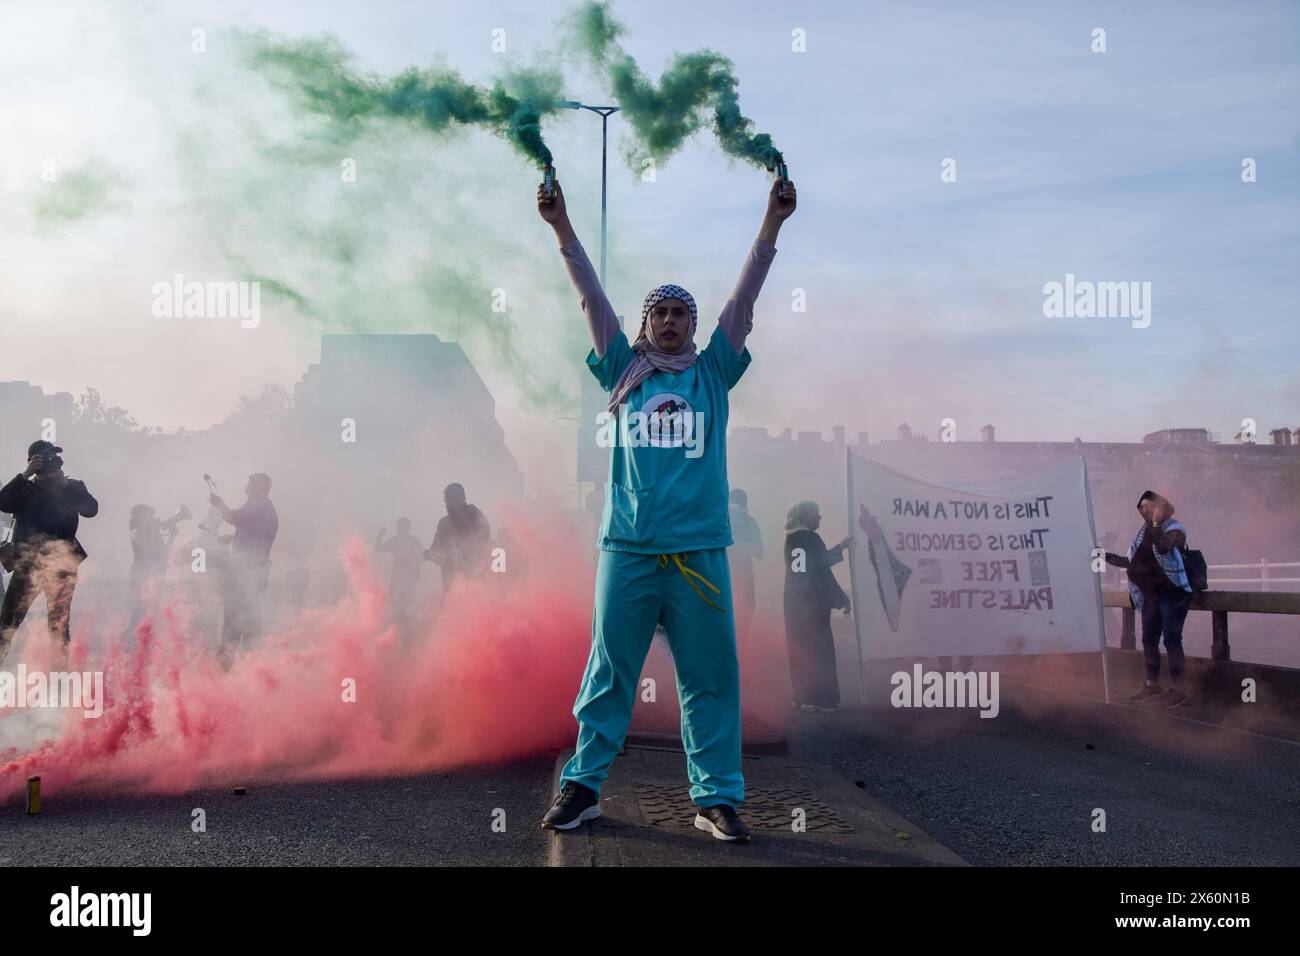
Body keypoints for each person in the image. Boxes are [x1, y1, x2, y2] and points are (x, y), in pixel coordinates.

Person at [537, 170, 795, 842]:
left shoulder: (713, 372)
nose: (672, 321)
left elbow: (744, 301)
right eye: (661, 312)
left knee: (710, 678)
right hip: (627, 546)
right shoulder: (623, 369)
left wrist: (771, 225)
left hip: (700, 550)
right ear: (645, 323)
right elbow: (590, 299)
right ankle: (584, 787)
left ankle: (715, 799)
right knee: (609, 673)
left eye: (682, 312)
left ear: (695, 325)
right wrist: (562, 227)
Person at [0, 440, 98, 664]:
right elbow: (2, 503)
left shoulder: (72, 487)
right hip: (28, 566)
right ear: (33, 462)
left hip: (62, 566)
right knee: (7, 623)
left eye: (56, 459)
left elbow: (91, 509)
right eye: (46, 459)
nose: (53, 463)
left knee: (59, 625)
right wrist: (25, 475)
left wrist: (64, 485)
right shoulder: (24, 489)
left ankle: (59, 681)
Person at [1105, 491, 1193, 708]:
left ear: (1160, 507)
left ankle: (1178, 690)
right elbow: (1130, 561)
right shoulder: (1142, 533)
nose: (1144, 511)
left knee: (1172, 640)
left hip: (1173, 594)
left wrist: (1155, 523)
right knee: (1149, 640)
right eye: (1141, 507)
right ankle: (1152, 684)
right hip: (1150, 596)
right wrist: (1103, 555)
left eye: (1148, 506)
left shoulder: (1175, 529)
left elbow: (1164, 548)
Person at [782, 500, 850, 713]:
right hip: (812, 603)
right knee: (820, 650)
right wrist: (842, 598)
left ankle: (803, 697)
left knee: (800, 648)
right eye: (816, 513)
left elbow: (806, 568)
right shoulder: (811, 538)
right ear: (805, 515)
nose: (819, 517)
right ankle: (822, 699)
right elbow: (821, 569)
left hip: (794, 601)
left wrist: (840, 547)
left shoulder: (791, 538)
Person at [209, 472, 278, 663]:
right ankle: (251, 667)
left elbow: (233, 518)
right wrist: (234, 538)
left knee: (234, 619)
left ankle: (226, 666)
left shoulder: (259, 504)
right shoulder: (267, 508)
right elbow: (257, 534)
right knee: (251, 619)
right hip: (257, 569)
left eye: (249, 484)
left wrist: (219, 503)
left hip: (246, 570)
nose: (246, 488)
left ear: (259, 487)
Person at [424, 483, 490, 600]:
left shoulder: (474, 514)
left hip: (473, 577)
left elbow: (483, 539)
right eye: (447, 499)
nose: (449, 503)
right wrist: (430, 555)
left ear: (462, 497)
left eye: (453, 498)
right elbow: (436, 549)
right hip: (450, 579)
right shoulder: (444, 523)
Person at [124, 504, 172, 641]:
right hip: (140, 575)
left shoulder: (151, 532)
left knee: (151, 609)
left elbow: (163, 553)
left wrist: (171, 537)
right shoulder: (137, 531)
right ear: (140, 517)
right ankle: (130, 638)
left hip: (152, 575)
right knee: (142, 608)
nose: (151, 518)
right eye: (148, 515)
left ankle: (143, 640)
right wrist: (155, 531)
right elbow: (149, 550)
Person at [727, 488, 763, 664]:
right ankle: (740, 667)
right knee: (740, 630)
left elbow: (759, 551)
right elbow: (759, 551)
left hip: (727, 583)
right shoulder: (747, 521)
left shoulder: (722, 519)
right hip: (739, 584)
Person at [375, 518, 422, 635]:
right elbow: (377, 549)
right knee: (394, 601)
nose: (399, 529)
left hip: (409, 576)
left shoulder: (414, 541)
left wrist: (416, 573)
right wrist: (380, 535)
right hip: (396, 575)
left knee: (405, 602)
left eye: (402, 527)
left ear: (407, 528)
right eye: (398, 527)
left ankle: (406, 628)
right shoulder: (394, 541)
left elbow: (420, 558)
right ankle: (396, 626)